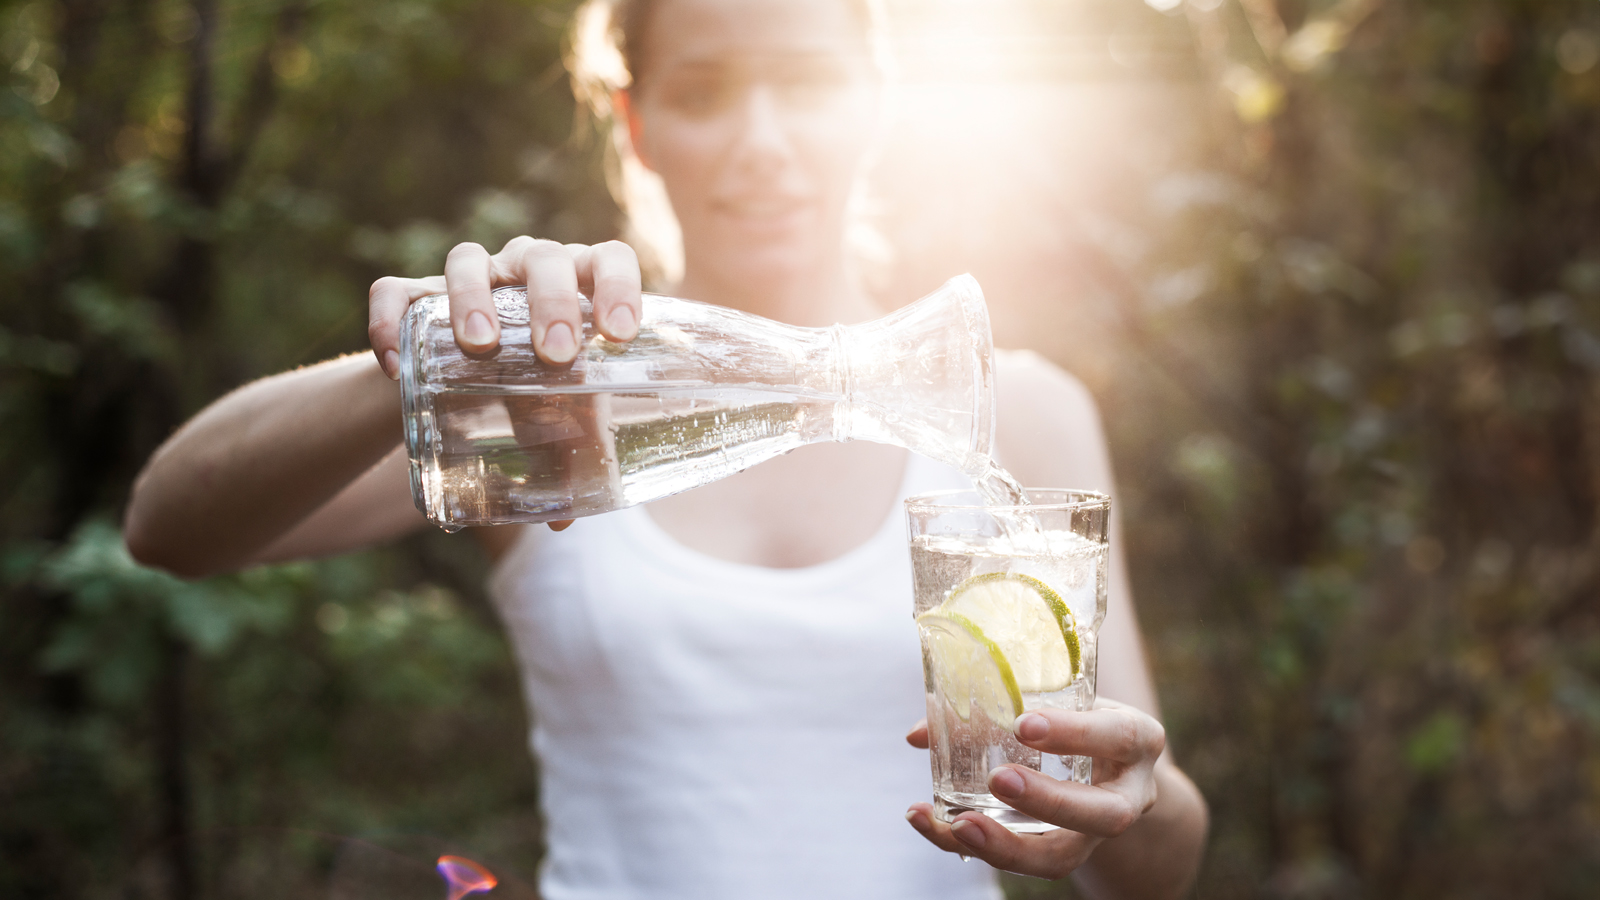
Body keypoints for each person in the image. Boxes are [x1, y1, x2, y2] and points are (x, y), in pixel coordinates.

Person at [123, 0, 1208, 896]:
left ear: (877, 101)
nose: (762, 141)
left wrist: (1133, 798)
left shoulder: (1015, 411)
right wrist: (425, 358)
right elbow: (170, 527)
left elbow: (1143, 859)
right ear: (635, 123)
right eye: (703, 92)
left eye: (809, 82)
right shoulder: (546, 404)